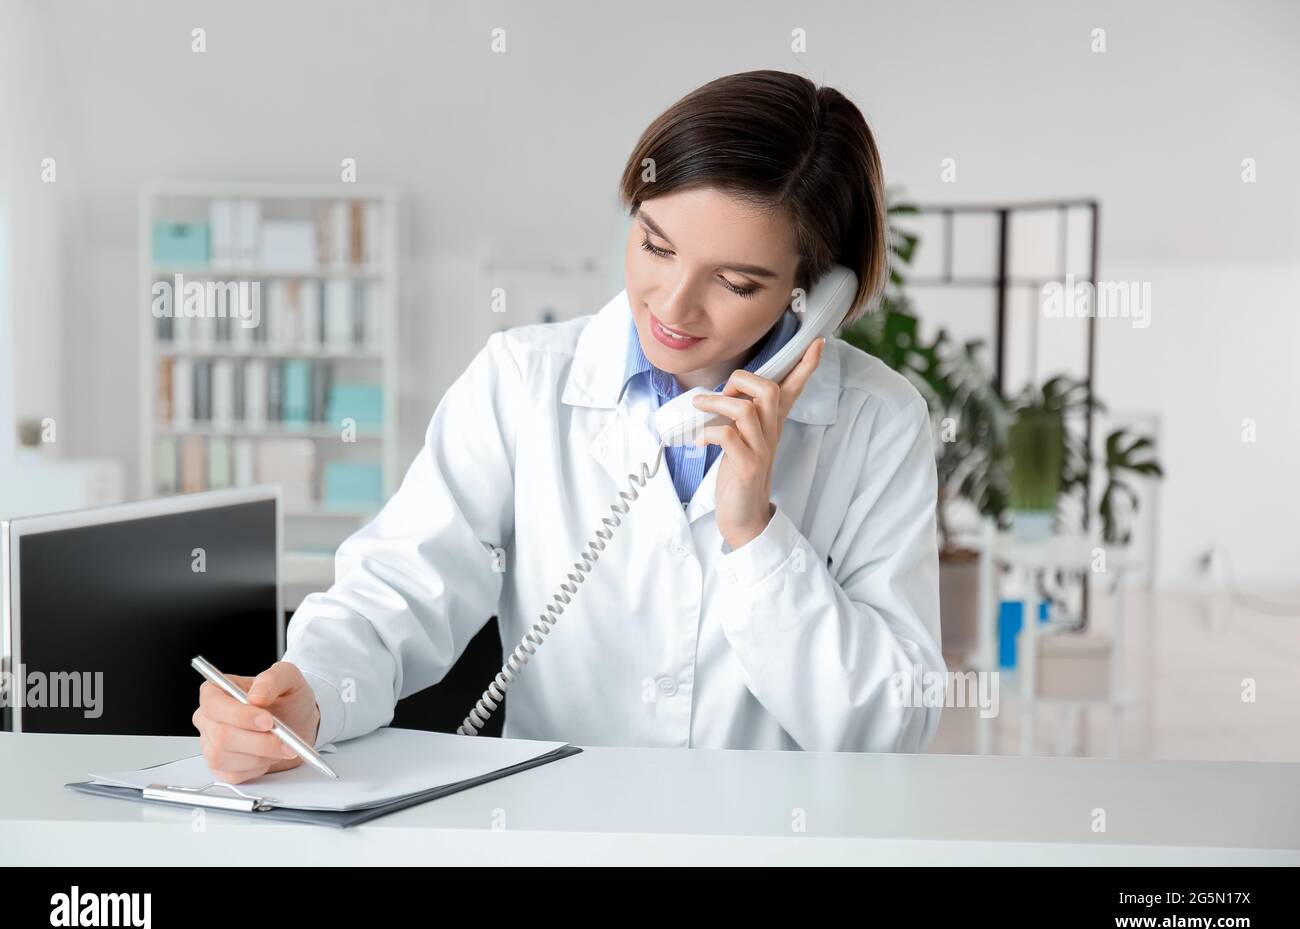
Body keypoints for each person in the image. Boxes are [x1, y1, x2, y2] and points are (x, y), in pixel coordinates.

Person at [193, 69, 943, 785]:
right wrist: (308, 688)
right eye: (655, 246)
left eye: (735, 283)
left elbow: (889, 725)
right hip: (560, 831)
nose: (673, 307)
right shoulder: (521, 381)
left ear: (816, 295)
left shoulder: (879, 423)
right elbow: (397, 587)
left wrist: (756, 536)